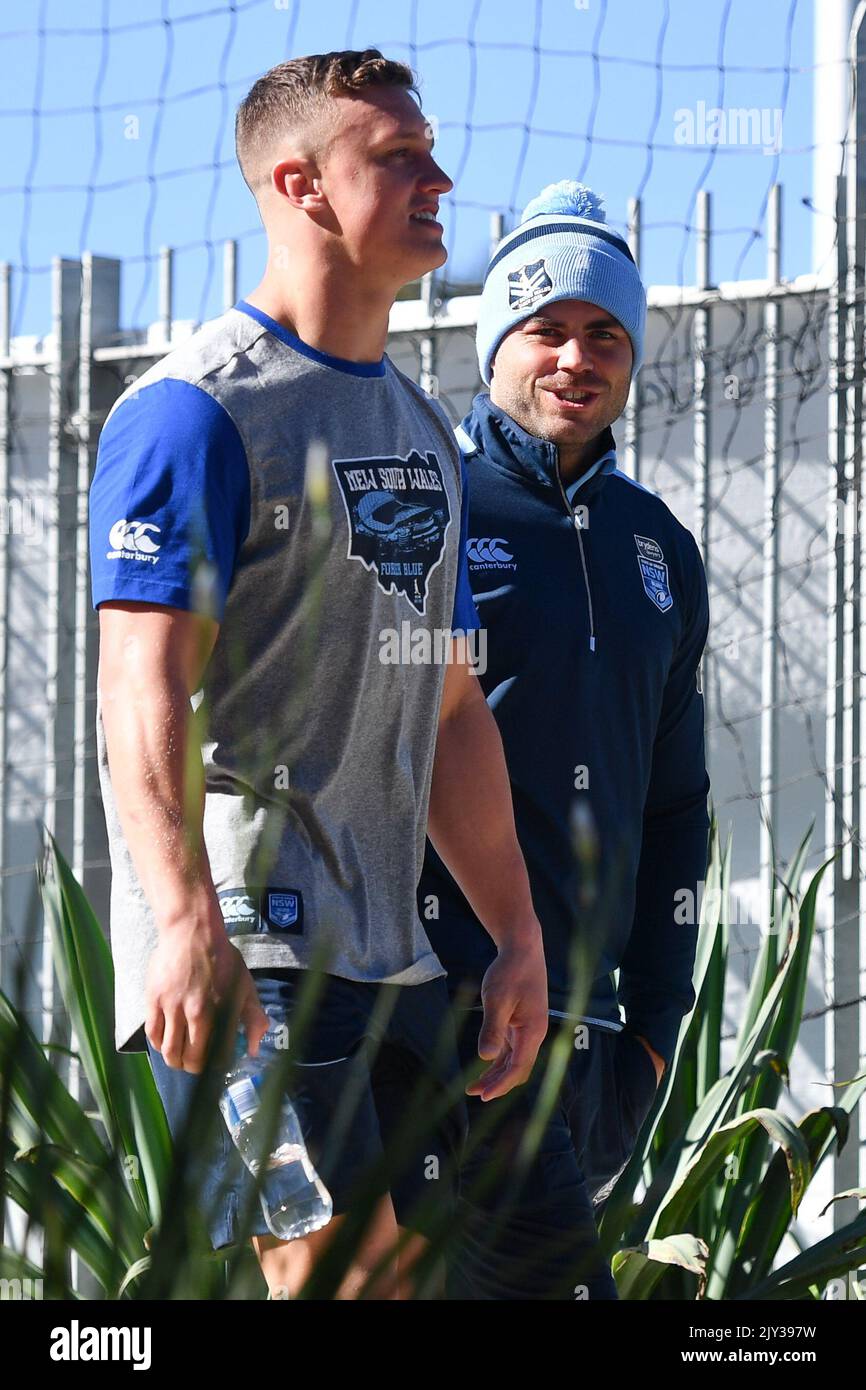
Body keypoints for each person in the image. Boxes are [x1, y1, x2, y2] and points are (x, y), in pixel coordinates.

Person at [88, 49, 547, 1301]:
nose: (438, 177)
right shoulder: (193, 412)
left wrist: (513, 931)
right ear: (299, 183)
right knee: (338, 1275)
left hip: (384, 954)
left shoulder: (417, 432)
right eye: (396, 157)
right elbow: (139, 690)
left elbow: (448, 701)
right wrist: (180, 915)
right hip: (243, 947)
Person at [419, 180, 711, 1300]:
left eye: (603, 335)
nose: (572, 358)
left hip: (593, 1050)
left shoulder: (659, 551)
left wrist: (652, 1031)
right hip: (445, 1022)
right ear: (496, 341)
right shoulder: (430, 503)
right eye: (543, 329)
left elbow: (674, 809)